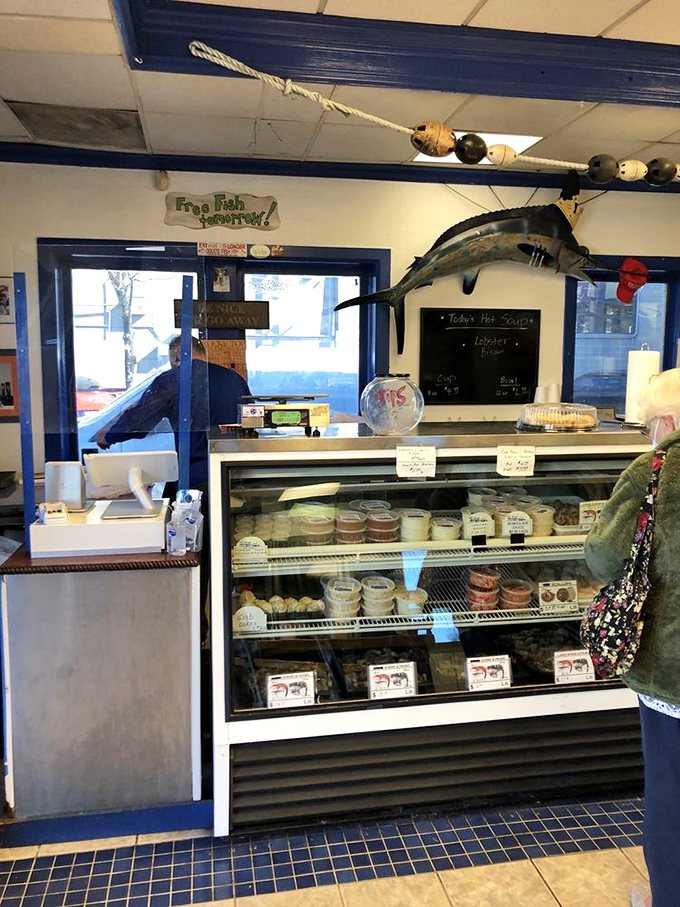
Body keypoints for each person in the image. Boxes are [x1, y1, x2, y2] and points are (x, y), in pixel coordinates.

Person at [585, 368, 680, 907]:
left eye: (649, 427)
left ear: (665, 422)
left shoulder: (656, 470)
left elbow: (603, 556)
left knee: (673, 799)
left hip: (672, 670)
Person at [97, 335, 250, 485]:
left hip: (198, 474)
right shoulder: (234, 378)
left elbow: (140, 420)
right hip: (237, 471)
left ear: (177, 356)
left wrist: (109, 436)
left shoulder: (170, 380)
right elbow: (251, 418)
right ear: (203, 354)